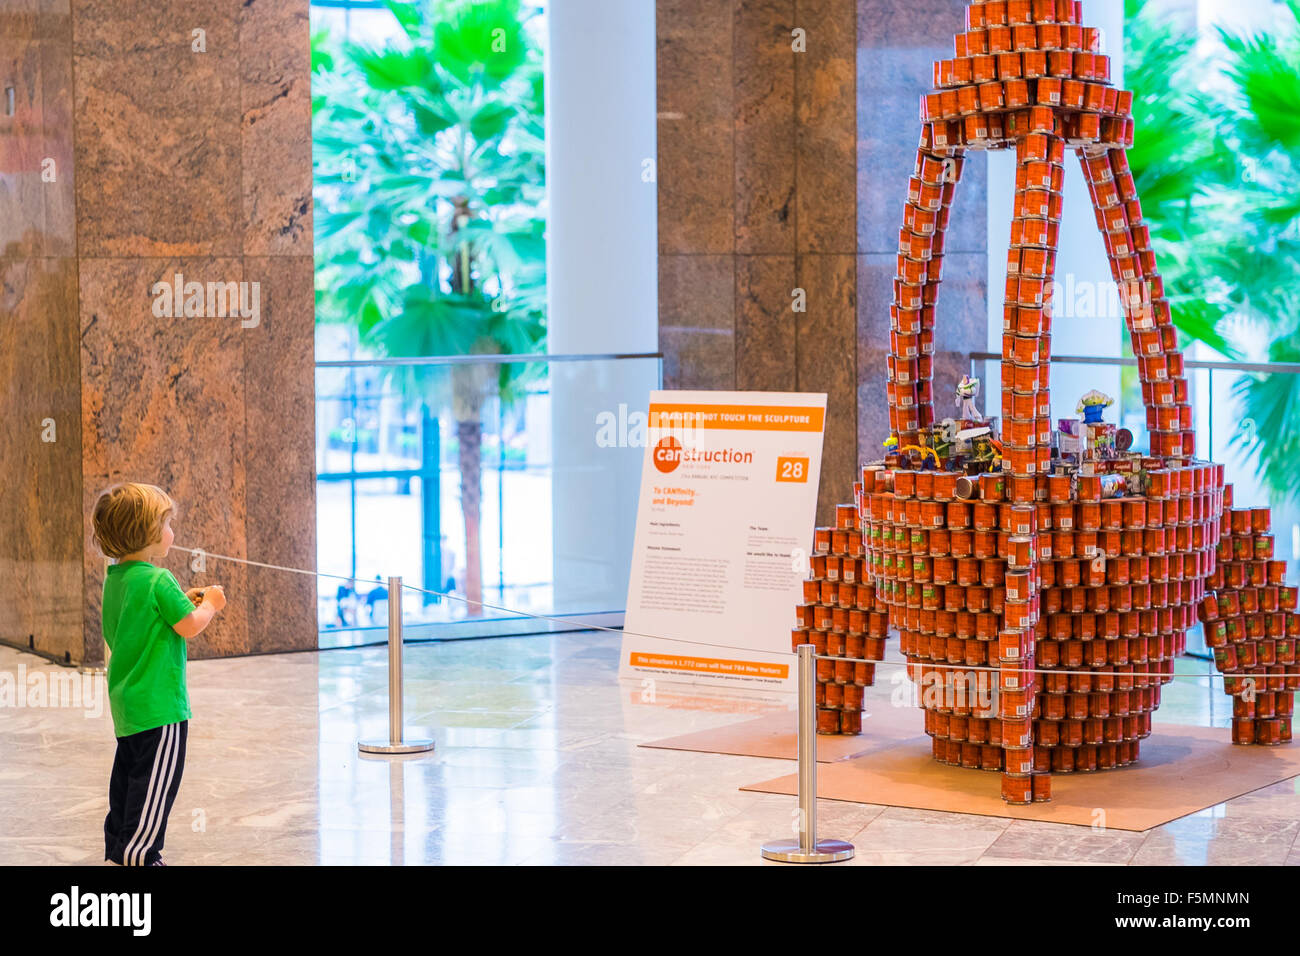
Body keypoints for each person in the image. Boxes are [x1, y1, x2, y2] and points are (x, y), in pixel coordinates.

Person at [92, 482, 226, 866]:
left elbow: (141, 619)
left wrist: (185, 600)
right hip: (161, 707)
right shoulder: (158, 579)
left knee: (130, 778)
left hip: (129, 703)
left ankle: (120, 848)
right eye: (167, 524)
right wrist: (212, 604)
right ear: (149, 533)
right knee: (155, 786)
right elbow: (190, 625)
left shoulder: (117, 579)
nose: (173, 532)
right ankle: (142, 856)